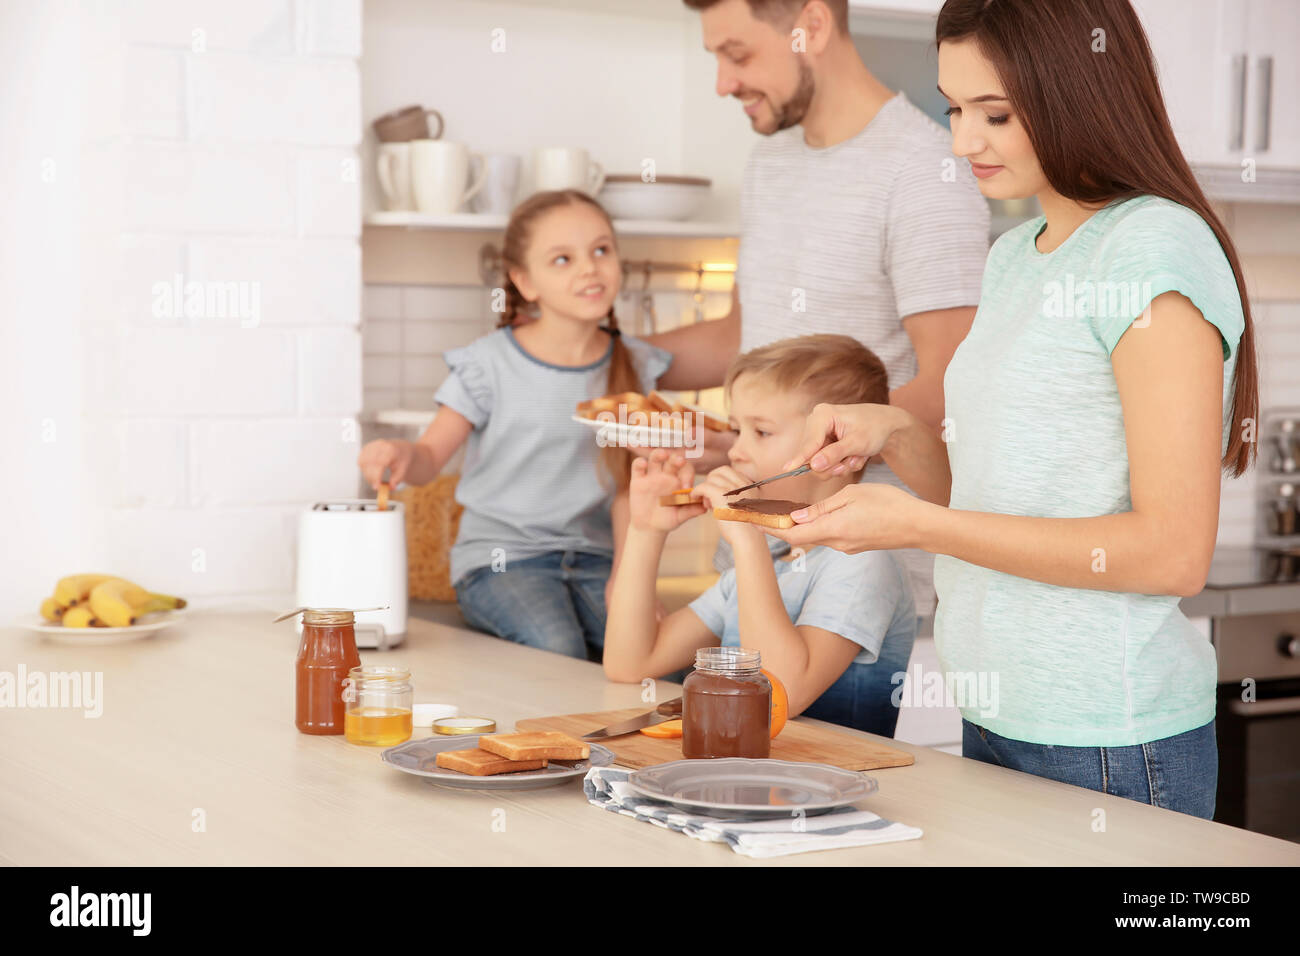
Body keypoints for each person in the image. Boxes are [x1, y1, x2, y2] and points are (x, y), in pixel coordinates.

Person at [767, 0, 1259, 819]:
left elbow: (1173, 552)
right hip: (998, 713)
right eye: (955, 109)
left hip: (1112, 737)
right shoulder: (1013, 260)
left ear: (1078, 89)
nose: (963, 142)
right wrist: (896, 433)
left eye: (994, 114)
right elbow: (995, 498)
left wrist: (918, 527)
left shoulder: (1152, 249)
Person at [644, 0, 989, 622]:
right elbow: (739, 339)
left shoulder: (925, 171)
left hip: (857, 574)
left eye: (738, 54)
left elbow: (951, 385)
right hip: (752, 562)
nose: (724, 83)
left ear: (815, 25)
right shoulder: (770, 162)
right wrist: (616, 358)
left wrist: (771, 441)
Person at [358, 190, 672, 662]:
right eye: (563, 259)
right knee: (558, 648)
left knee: (650, 655)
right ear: (525, 282)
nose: (590, 268)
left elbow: (633, 490)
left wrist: (628, 583)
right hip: (501, 562)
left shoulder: (636, 366)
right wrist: (400, 456)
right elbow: (428, 459)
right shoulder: (489, 363)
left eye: (601, 250)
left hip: (595, 561)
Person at [605, 335, 916, 737]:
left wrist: (747, 538)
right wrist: (645, 530)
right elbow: (630, 662)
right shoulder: (770, 560)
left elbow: (781, 692)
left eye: (762, 433)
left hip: (832, 781)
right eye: (737, 430)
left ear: (835, 450)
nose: (736, 452)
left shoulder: (864, 563)